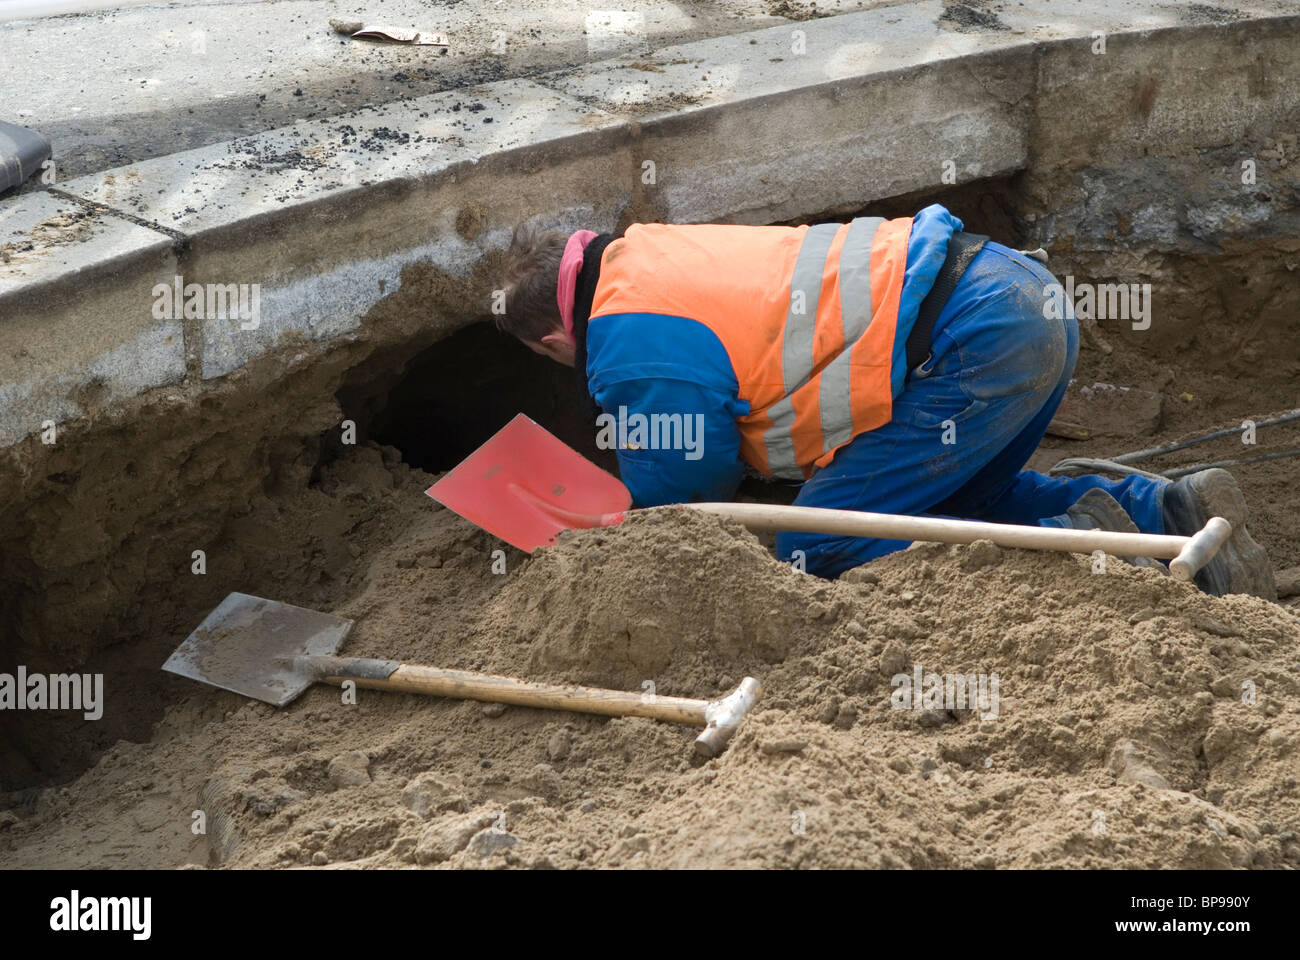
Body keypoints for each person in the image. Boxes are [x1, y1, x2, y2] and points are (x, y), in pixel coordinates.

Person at [493, 205, 1275, 599]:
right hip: (1015, 292)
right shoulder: (655, 252)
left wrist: (613, 526)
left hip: (968, 338)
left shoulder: (626, 334)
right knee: (963, 497)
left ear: (554, 340)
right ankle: (1165, 513)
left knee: (817, 546)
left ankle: (1073, 545)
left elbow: (686, 491)